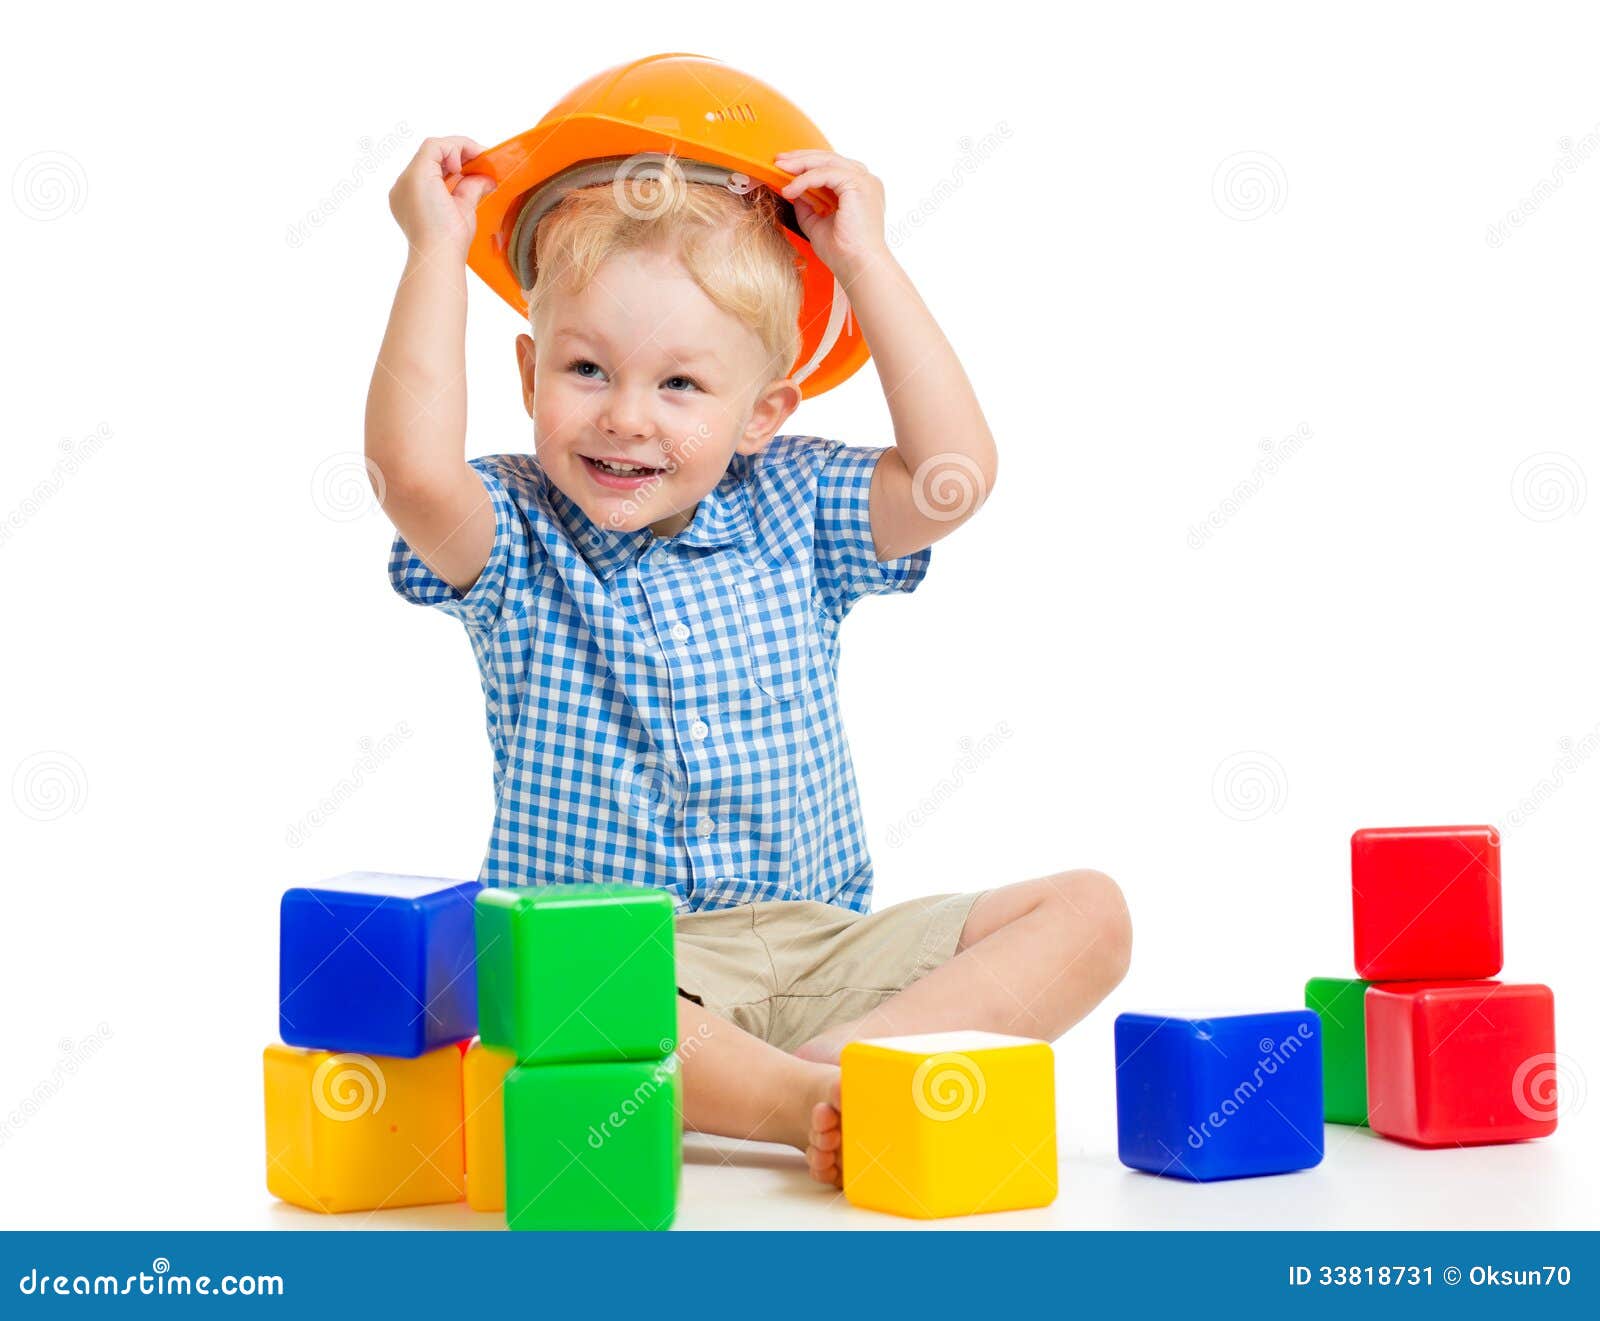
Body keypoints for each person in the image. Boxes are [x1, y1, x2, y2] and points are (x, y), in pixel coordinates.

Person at [369, 133, 1131, 1191]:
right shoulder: (512, 530)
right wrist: (434, 250)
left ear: (763, 413)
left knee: (1089, 911)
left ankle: (861, 1062)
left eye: (681, 383)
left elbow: (954, 474)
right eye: (585, 369)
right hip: (629, 964)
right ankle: (796, 1103)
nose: (625, 415)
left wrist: (865, 258)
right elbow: (409, 473)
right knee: (543, 984)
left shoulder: (797, 505)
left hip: (826, 948)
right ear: (529, 371)